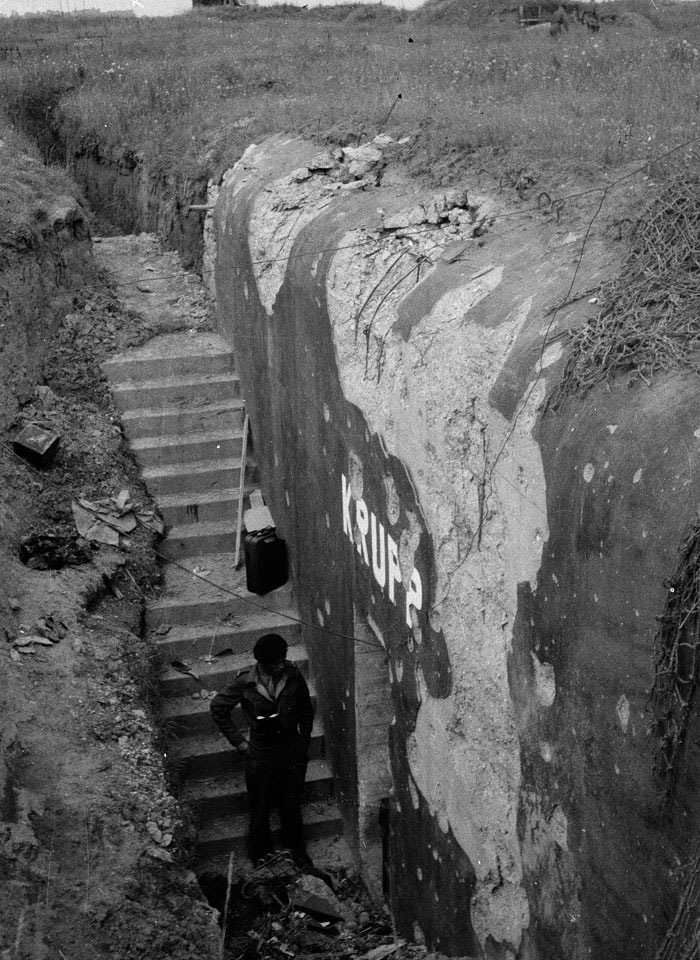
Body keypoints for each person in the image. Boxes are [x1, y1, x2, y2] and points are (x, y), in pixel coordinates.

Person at [210, 632, 314, 867]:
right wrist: (239, 742)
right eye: (275, 663)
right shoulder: (244, 682)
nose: (281, 666)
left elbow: (307, 711)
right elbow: (218, 707)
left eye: (282, 659)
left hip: (291, 750)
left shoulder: (294, 676)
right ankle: (260, 855)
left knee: (292, 804)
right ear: (263, 664)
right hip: (261, 753)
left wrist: (303, 742)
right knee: (260, 805)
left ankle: (296, 851)